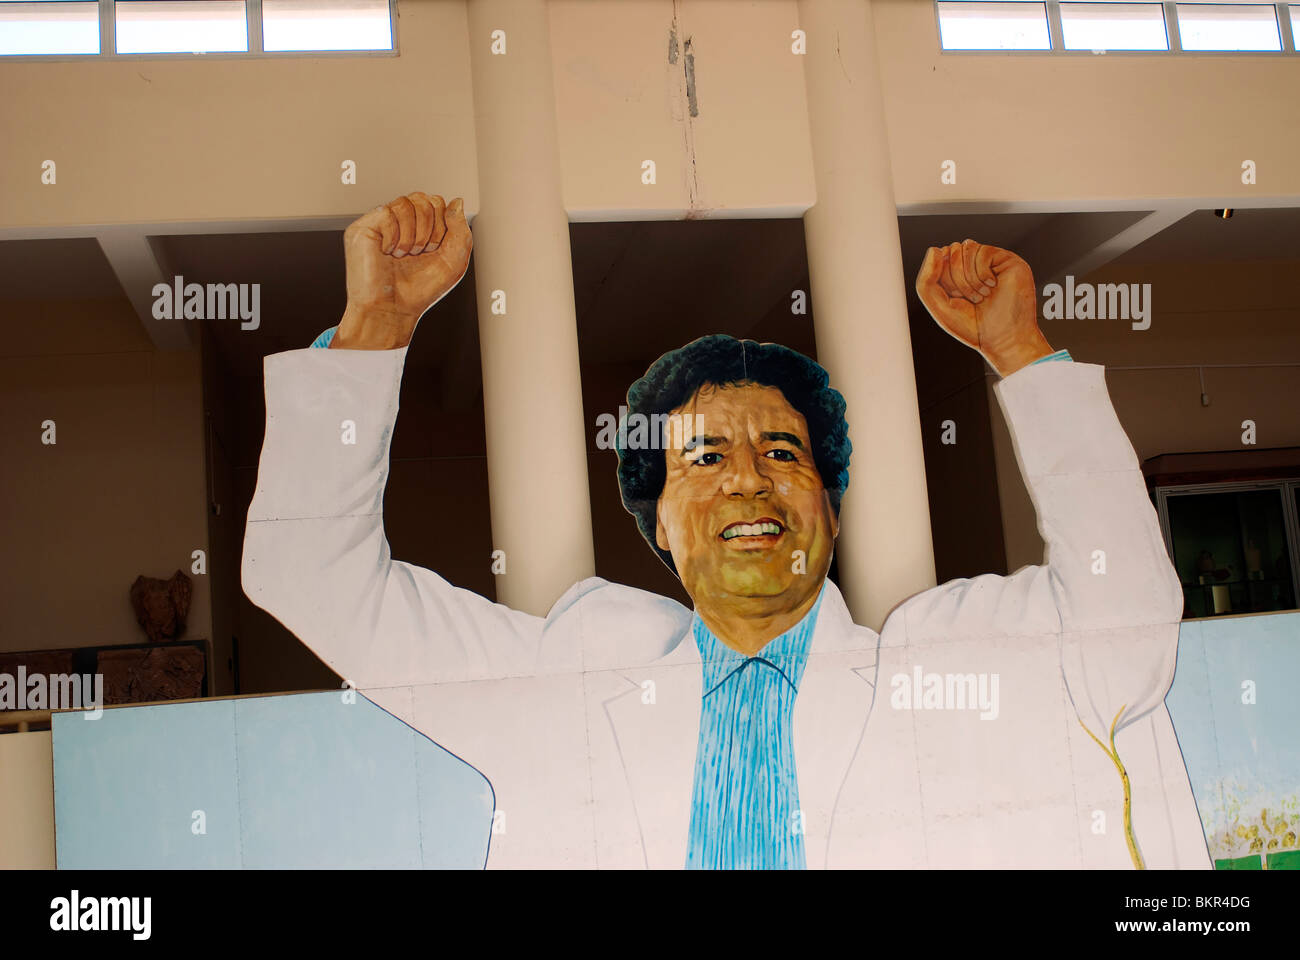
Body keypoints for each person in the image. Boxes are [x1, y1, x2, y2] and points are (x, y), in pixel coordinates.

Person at [243, 192, 1210, 869]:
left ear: (830, 506)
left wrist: (1020, 352)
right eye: (704, 459)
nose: (749, 477)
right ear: (658, 523)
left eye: (784, 454)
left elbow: (1124, 617)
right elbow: (311, 572)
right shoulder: (561, 686)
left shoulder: (941, 669)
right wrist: (374, 326)